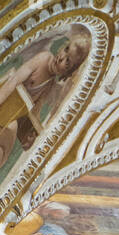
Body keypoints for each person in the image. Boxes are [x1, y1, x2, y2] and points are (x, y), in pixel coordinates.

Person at [0, 32, 90, 172]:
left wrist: (32, 135)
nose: (60, 58)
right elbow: (13, 81)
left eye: (67, 62)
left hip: (10, 117)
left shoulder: (49, 85)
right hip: (3, 99)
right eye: (65, 50)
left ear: (68, 72)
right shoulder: (43, 58)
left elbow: (35, 111)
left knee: (4, 147)